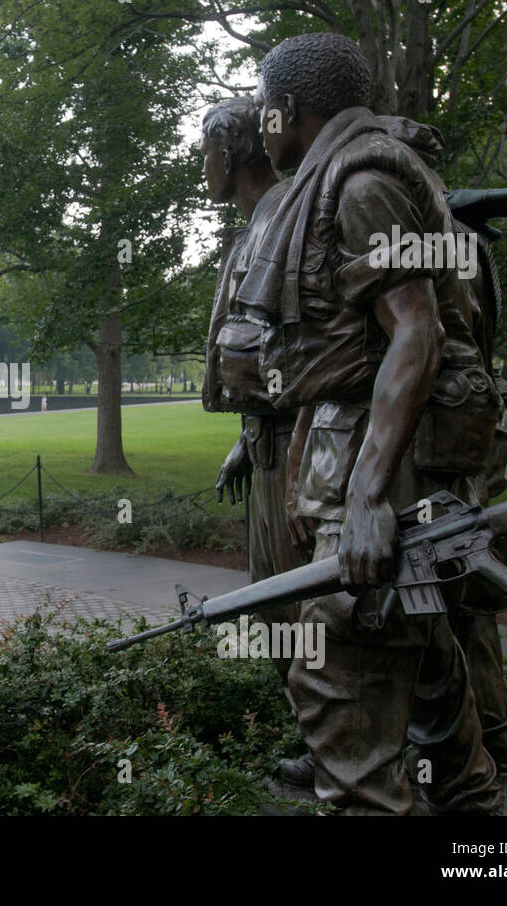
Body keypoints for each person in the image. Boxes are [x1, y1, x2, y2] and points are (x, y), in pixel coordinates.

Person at [241, 32, 499, 815]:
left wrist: (365, 496)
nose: (259, 125)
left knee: (338, 666)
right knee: (416, 650)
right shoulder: (355, 171)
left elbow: (415, 333)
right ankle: (488, 812)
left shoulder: (360, 182)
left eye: (264, 107)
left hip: (383, 457)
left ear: (291, 107)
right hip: (367, 445)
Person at [201, 96, 311, 713]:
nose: (205, 167)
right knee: (271, 611)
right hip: (268, 450)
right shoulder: (251, 230)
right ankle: (310, 743)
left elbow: (306, 349)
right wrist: (247, 439)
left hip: (301, 456)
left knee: (302, 613)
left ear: (235, 149)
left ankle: (338, 763)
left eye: (208, 153)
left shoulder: (289, 218)